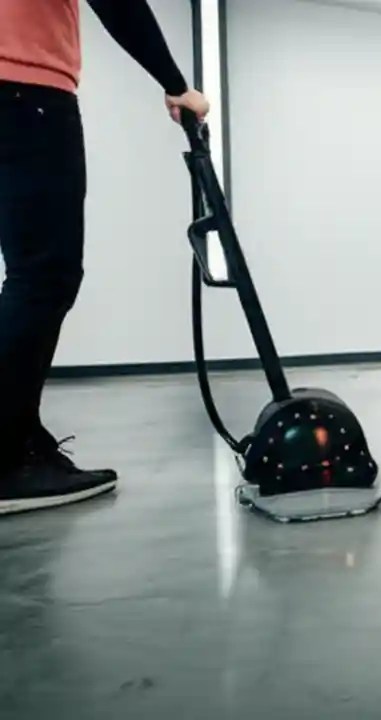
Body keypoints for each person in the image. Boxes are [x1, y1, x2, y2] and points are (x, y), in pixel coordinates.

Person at [0, 0, 210, 515]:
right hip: (24, 90)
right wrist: (175, 84)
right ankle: (6, 460)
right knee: (43, 277)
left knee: (32, 275)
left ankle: (19, 435)